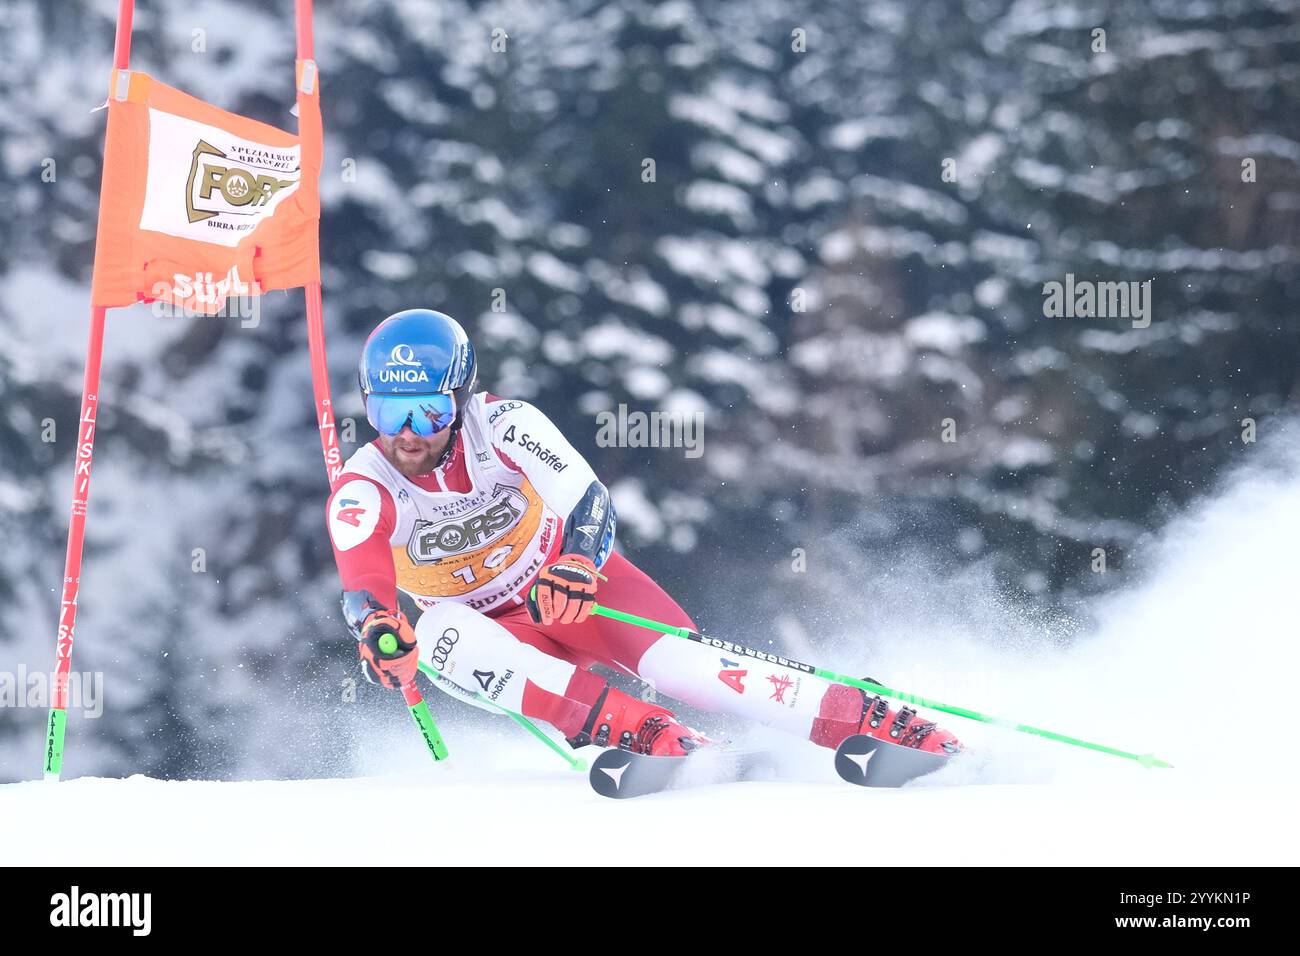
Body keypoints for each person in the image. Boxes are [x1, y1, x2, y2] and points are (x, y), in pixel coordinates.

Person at [327, 308, 961, 758]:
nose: (408, 432)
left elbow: (587, 499)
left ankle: (866, 715)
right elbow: (363, 585)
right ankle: (638, 730)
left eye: (428, 409)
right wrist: (380, 629)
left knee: (687, 670)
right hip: (491, 643)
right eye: (388, 409)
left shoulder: (504, 425)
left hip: (566, 592)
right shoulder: (365, 484)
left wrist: (576, 562)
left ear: (460, 399)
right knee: (438, 633)